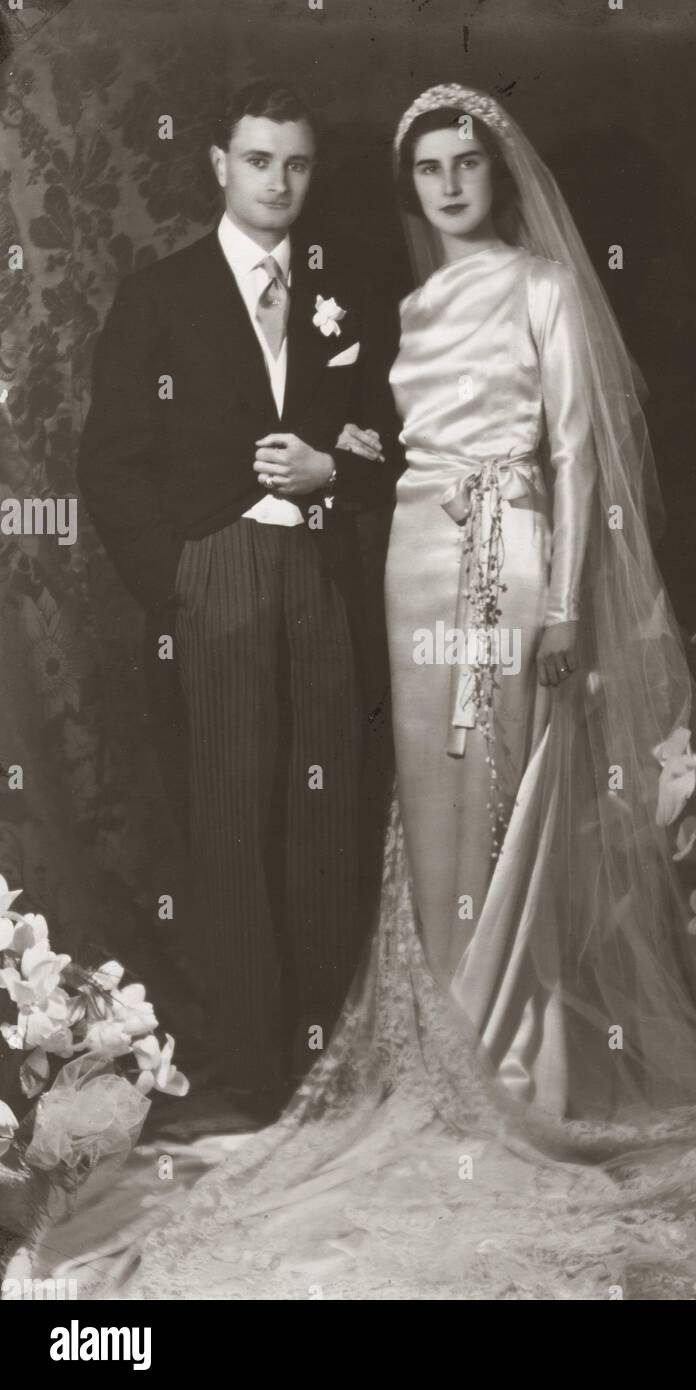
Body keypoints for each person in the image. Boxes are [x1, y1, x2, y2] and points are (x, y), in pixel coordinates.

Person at [57, 86, 696, 1302]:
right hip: (411, 563)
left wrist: (563, 601)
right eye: (429, 168)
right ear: (406, 183)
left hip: (508, 559)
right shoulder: (402, 304)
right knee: (427, 819)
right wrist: (304, 490)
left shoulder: (545, 288)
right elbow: (378, 446)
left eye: (468, 163)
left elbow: (573, 451)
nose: (451, 184)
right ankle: (429, 1049)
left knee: (514, 797)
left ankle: (516, 1063)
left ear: (498, 175)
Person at [77, 81, 403, 1121]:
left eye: (296, 163)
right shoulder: (161, 292)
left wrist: (333, 474)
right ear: (220, 165)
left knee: (323, 819)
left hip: (320, 581)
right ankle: (249, 1074)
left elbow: (390, 445)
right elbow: (111, 463)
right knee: (227, 822)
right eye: (259, 160)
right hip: (212, 577)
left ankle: (321, 1068)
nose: (279, 181)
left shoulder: (343, 287)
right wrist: (178, 579)